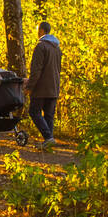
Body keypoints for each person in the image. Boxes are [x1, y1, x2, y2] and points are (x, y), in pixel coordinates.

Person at [24, 21, 62, 151]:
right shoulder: (57, 47)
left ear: (41, 31)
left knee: (34, 111)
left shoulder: (41, 46)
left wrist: (29, 86)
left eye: (37, 30)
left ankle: (48, 137)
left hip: (41, 88)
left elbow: (36, 70)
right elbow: (59, 68)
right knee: (49, 115)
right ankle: (48, 142)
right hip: (54, 87)